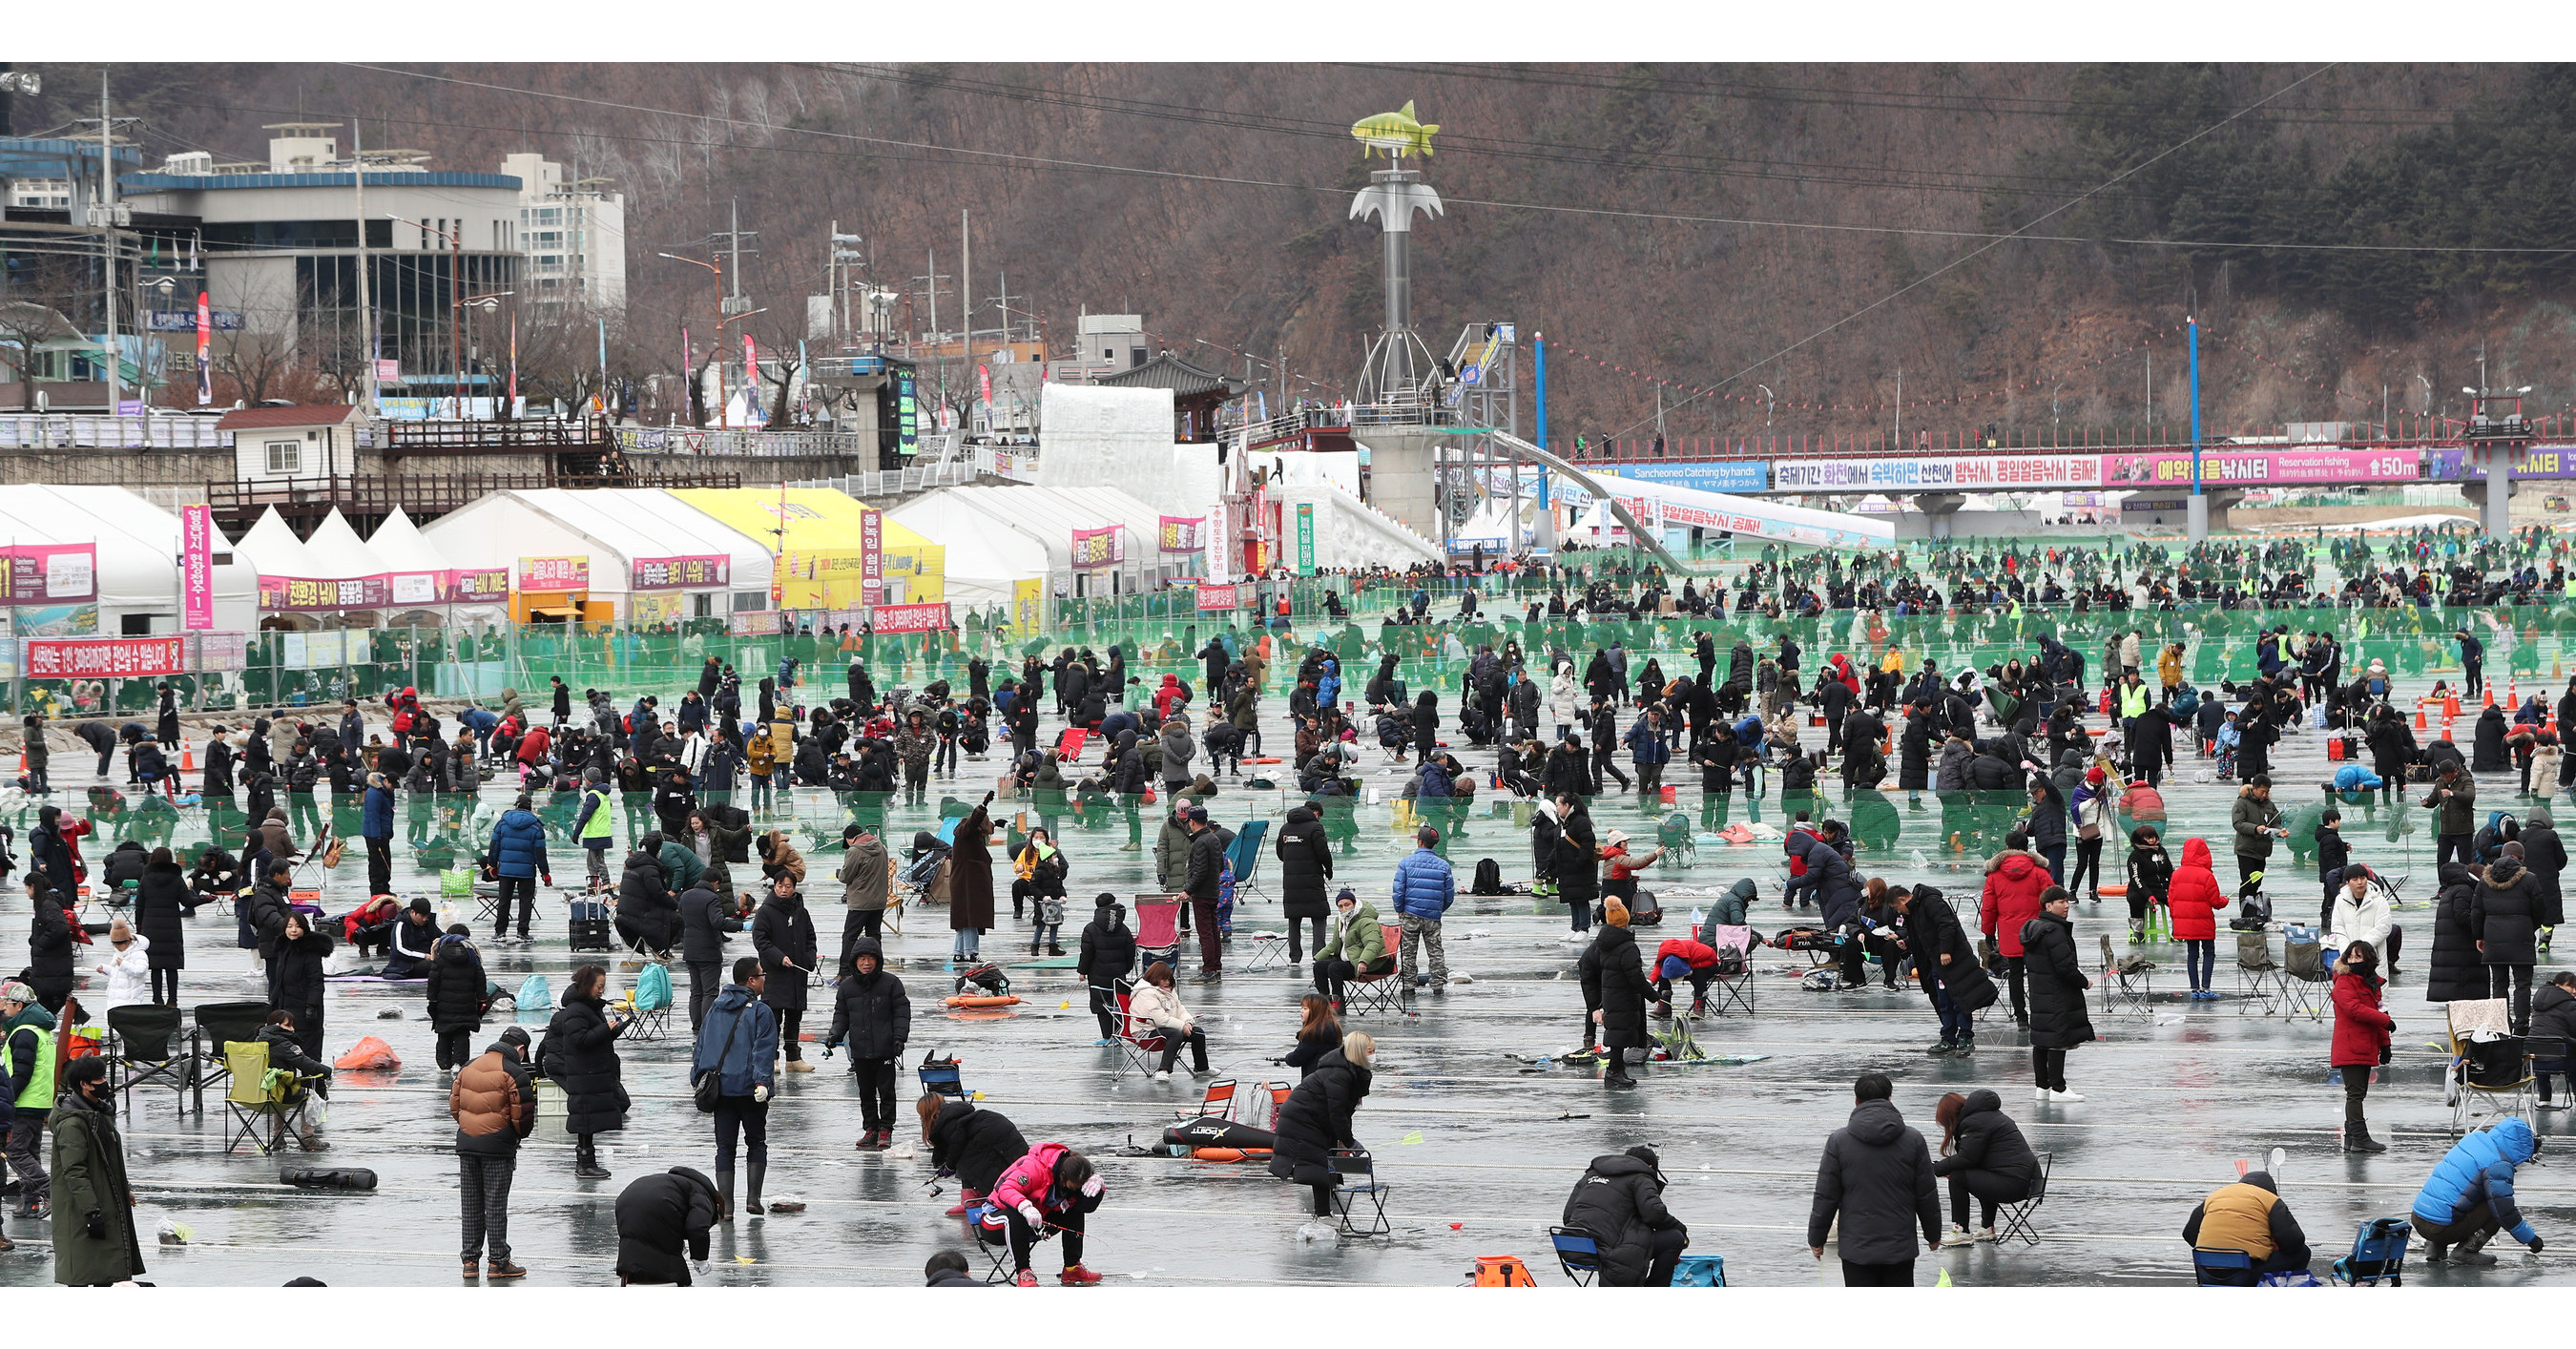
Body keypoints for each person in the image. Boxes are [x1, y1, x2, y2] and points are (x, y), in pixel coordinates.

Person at [1806, 1072, 1942, 1286]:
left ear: (1856, 1101)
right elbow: (1926, 1194)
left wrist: (1817, 1239)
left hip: (1857, 1249)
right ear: (1889, 1098)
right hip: (1900, 1248)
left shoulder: (1839, 1141)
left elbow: (1826, 1196)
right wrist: (1933, 1234)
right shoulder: (1913, 1139)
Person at [694, 956, 780, 1220]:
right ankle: (753, 1199)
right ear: (751, 980)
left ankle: (726, 1207)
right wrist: (763, 1082)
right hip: (751, 1090)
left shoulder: (715, 1008)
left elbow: (701, 1046)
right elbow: (763, 1051)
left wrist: (698, 1077)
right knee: (756, 1142)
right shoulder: (761, 1010)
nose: (765, 979)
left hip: (720, 1090)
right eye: (762, 975)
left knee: (725, 1148)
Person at [449, 1024, 537, 1281]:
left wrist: (469, 1127)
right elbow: (523, 1116)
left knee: (470, 1204)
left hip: (467, 1144)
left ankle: (469, 1261)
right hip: (498, 1148)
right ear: (520, 1049)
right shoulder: (515, 1072)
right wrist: (514, 1136)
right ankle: (498, 1262)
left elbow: (454, 1105)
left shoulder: (468, 1066)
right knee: (495, 1204)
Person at [47, 1058, 142, 1286]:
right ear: (85, 1084)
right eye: (99, 1078)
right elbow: (74, 1170)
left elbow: (109, 1161)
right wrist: (92, 1212)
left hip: (102, 1200)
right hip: (84, 1207)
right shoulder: (73, 1124)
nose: (104, 1083)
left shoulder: (97, 1114)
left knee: (103, 1270)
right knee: (84, 1272)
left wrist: (124, 1188)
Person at [1270, 1031, 1375, 1223]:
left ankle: (1323, 1212)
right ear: (1359, 1052)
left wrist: (1345, 1139)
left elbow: (1344, 1111)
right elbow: (1336, 1113)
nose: (1374, 1055)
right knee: (1319, 1164)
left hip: (1312, 1118)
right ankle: (1323, 1214)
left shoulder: (1349, 1071)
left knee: (1323, 1163)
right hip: (1302, 1120)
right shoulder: (1340, 1074)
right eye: (1370, 1051)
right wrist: (1349, 1141)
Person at [2411, 1115, 2545, 1266]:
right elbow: (2505, 1211)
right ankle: (2466, 1252)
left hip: (2418, 1219)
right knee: (2495, 1207)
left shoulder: (2473, 1140)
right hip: (2441, 1228)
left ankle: (2435, 1248)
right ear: (2520, 1150)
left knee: (2452, 1196)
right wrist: (2531, 1239)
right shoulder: (2498, 1164)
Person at [541, 963, 632, 1181]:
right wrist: (605, 1028)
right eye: (599, 986)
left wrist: (617, 1027)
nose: (602, 990)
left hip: (593, 1071)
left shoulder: (589, 1007)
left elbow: (595, 1038)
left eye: (603, 986)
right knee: (584, 1120)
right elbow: (579, 1040)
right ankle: (584, 1164)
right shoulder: (576, 1010)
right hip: (584, 1073)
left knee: (588, 1120)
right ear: (587, 985)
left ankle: (588, 1163)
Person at [979, 1142, 1108, 1287]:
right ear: (1062, 1176)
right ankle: (1023, 1271)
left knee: (1074, 1209)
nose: (1075, 1190)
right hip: (995, 1220)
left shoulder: (1078, 1172)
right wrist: (1024, 1205)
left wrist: (1099, 1189)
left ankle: (1072, 1268)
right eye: (1074, 1186)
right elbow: (1005, 1189)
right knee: (1014, 1217)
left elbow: (1085, 1207)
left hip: (1035, 1220)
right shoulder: (1033, 1167)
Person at [824, 936, 912, 1149]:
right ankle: (871, 1128)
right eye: (862, 959)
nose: (866, 963)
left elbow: (902, 1013)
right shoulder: (846, 987)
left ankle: (886, 1129)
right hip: (860, 1051)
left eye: (870, 959)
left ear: (878, 960)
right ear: (855, 961)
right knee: (865, 1092)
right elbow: (841, 1015)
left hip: (885, 1049)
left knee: (887, 1092)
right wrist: (834, 1034)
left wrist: (899, 1038)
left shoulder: (891, 983)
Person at [1562, 1145, 1689, 1286]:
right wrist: (1682, 1229)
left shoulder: (1590, 1175)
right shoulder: (1642, 1176)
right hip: (1609, 1251)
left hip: (1573, 1247)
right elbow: (1654, 1214)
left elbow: (1568, 1216)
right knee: (1675, 1238)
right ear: (1650, 1166)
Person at [1931, 1090, 2039, 1245]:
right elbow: (1975, 1160)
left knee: (1957, 1177)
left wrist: (1937, 1169)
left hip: (2014, 1184)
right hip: (2030, 1182)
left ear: (1950, 1116)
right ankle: (1987, 1227)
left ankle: (1962, 1231)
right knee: (1978, 1173)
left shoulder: (1974, 1123)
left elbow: (1966, 1158)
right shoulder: (1990, 1115)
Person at [1895, 882, 1987, 1057]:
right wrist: (1907, 942)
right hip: (1935, 962)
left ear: (1902, 899)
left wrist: (1945, 951)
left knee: (1958, 999)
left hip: (1952, 960)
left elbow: (1947, 925)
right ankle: (1948, 1038)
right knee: (1943, 1000)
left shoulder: (1931, 902)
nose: (1899, 911)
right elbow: (1922, 933)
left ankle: (1965, 1037)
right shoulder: (1914, 911)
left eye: (1897, 906)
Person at [2023, 886, 2094, 1104]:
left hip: (2040, 992)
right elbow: (2065, 967)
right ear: (2048, 906)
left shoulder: (2034, 929)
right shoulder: (2055, 932)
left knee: (2042, 1040)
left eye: (2066, 902)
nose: (2066, 906)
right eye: (2061, 902)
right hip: (2057, 994)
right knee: (2057, 1040)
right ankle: (2058, 1088)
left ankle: (2042, 1087)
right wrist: (2084, 982)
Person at [2182, 1171, 2312, 1283]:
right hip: (2245, 1275)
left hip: (2206, 1273)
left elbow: (2188, 1234)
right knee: (2303, 1252)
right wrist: (2268, 1247)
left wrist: (2217, 1250)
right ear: (2271, 1190)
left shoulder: (2216, 1195)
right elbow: (2294, 1241)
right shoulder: (2269, 1198)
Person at [1579, 899, 1651, 1090]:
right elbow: (1635, 976)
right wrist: (1653, 995)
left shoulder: (1603, 942)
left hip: (1613, 994)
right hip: (1621, 995)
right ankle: (1614, 1072)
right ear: (1625, 920)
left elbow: (1585, 965)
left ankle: (1617, 1070)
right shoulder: (1626, 946)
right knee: (1619, 1033)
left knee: (1620, 1032)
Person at [924, 1094, 1031, 1220]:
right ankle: (972, 1198)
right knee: (1018, 1167)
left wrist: (949, 1166)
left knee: (970, 1163)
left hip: (990, 1139)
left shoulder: (945, 1126)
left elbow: (957, 1152)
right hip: (1002, 1131)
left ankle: (981, 1200)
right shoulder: (954, 1114)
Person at [2331, 939, 2395, 1153]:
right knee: (2355, 1094)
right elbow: (2354, 1009)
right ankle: (2359, 1138)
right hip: (2350, 1044)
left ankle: (2351, 1139)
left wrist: (2385, 1044)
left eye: (2359, 957)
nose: (2354, 960)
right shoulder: (2344, 982)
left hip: (2365, 1045)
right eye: (2351, 956)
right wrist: (2384, 1021)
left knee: (2359, 1093)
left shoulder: (2372, 983)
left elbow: (2379, 1013)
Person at [0, 982, 55, 1227]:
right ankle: (29, 1201)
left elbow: (21, 1071)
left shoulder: (24, 1031)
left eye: (8, 1005)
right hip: (39, 1100)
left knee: (15, 1152)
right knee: (30, 1152)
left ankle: (50, 1191)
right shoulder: (41, 1029)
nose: (5, 1009)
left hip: (24, 1101)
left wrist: (9, 1099)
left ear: (19, 1006)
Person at [753, 873, 820, 1072]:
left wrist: (809, 960)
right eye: (780, 886)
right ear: (775, 887)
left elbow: (810, 938)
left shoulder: (801, 912)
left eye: (788, 886)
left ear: (794, 888)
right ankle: (771, 1058)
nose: (784, 890)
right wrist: (779, 957)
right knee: (773, 1019)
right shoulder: (765, 912)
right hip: (775, 973)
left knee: (794, 1017)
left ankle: (793, 1058)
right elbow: (761, 940)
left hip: (797, 974)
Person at [613, 1166, 722, 1285]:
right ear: (717, 1207)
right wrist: (700, 1260)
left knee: (633, 1248)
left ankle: (629, 1279)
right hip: (660, 1204)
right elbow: (697, 1227)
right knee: (671, 1266)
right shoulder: (703, 1195)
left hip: (626, 1200)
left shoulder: (679, 1184)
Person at [2475, 852, 2543, 1033]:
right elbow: (2539, 909)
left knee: (2498, 984)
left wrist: (2479, 935)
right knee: (2523, 984)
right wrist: (2530, 927)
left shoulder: (2484, 881)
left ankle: (2501, 1023)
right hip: (2522, 937)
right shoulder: (2529, 880)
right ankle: (2522, 1024)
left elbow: (2477, 911)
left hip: (2494, 939)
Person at [1391, 824, 1455, 989]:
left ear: (1420, 842)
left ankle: (1408, 984)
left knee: (1408, 952)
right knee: (1435, 951)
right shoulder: (1443, 866)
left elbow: (1398, 890)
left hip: (1410, 914)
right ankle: (1438, 984)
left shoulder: (1406, 863)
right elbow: (1449, 896)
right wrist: (1437, 909)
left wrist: (1400, 909)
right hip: (1432, 916)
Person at [678, 874, 742, 1034]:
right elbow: (718, 922)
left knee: (696, 991)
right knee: (710, 991)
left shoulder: (686, 896)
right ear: (715, 883)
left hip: (690, 949)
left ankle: (696, 1026)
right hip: (707, 951)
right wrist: (741, 925)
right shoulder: (711, 898)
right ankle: (707, 1027)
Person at [2166, 837, 2228, 999]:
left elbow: (2171, 900)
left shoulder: (2176, 874)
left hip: (2185, 924)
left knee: (2192, 954)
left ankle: (2194, 989)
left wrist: (2176, 919)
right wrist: (2225, 900)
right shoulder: (2207, 875)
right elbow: (2215, 902)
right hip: (2204, 922)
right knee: (2209, 953)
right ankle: (2206, 989)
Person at [487, 794, 551, 944]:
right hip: (527, 871)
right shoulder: (536, 827)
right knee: (525, 901)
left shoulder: (502, 823)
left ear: (516, 805)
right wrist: (545, 873)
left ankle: (500, 932)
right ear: (530, 808)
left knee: (504, 900)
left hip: (505, 870)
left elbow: (494, 846)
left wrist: (492, 864)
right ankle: (522, 933)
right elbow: (540, 854)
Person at [133, 846, 194, 1007]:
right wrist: (205, 899)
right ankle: (172, 1000)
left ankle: (157, 1000)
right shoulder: (176, 878)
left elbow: (139, 905)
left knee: (156, 966)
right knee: (171, 966)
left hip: (150, 926)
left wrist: (139, 928)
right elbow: (187, 902)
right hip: (171, 927)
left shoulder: (146, 878)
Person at [1129, 962, 1210, 1081]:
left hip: (1165, 1027)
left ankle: (1202, 1068)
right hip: (1145, 1031)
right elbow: (1159, 1019)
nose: (1167, 981)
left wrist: (1188, 1022)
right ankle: (1163, 1070)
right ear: (1155, 978)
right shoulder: (1146, 993)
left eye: (1169, 978)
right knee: (1175, 1034)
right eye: (1163, 978)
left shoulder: (1168, 990)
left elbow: (1180, 1009)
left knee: (1198, 1032)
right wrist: (1182, 1026)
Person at [1275, 803, 1333, 967]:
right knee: (1319, 917)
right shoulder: (1315, 828)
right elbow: (1323, 852)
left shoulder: (1285, 828)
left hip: (1291, 882)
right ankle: (1319, 955)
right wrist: (1329, 869)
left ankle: (1295, 957)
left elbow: (1280, 853)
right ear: (1315, 813)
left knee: (1294, 918)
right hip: (1312, 879)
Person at [270, 911, 334, 1060]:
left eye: (297, 926)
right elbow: (278, 980)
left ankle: (314, 1082)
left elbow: (316, 981)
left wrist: (312, 1006)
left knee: (309, 1049)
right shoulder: (284, 948)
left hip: (305, 1009)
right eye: (289, 926)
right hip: (285, 1006)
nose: (293, 930)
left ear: (304, 928)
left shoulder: (310, 951)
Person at [1314, 888, 1393, 1007]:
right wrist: (1317, 958)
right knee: (1319, 966)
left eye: (1347, 905)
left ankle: (1338, 1005)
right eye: (1340, 906)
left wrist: (1363, 961)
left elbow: (1372, 944)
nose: (1344, 909)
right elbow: (1334, 945)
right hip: (1349, 960)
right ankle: (1324, 1003)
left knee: (1334, 968)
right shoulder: (1340, 920)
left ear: (1354, 904)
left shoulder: (1367, 921)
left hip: (1372, 963)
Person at [426, 925, 489, 1072]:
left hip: (444, 1005)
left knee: (443, 1033)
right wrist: (482, 1000)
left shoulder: (440, 956)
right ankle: (460, 1063)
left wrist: (432, 1000)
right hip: (466, 1005)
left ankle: (443, 1064)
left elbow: (433, 981)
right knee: (462, 1033)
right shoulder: (472, 957)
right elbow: (480, 980)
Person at [1076, 895, 1135, 1045]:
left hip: (1097, 974)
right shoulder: (1123, 928)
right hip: (1118, 973)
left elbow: (1086, 953)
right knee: (1118, 1002)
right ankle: (1118, 1034)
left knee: (1101, 1004)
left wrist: (1082, 971)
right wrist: (1126, 968)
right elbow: (1130, 951)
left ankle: (1107, 1036)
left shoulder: (1090, 928)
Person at [836, 823, 891, 973]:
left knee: (850, 937)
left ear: (849, 838)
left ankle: (845, 972)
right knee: (874, 937)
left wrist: (839, 873)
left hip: (860, 903)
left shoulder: (855, 851)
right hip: (879, 901)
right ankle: (876, 970)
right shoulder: (880, 846)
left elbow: (845, 877)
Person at [949, 800, 997, 966]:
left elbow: (980, 824)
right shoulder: (967, 832)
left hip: (963, 881)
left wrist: (995, 823)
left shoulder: (967, 834)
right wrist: (982, 807)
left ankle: (959, 953)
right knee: (971, 918)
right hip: (970, 883)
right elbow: (974, 822)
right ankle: (972, 953)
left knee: (963, 919)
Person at [91, 919, 151, 1011]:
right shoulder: (118, 953)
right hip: (114, 997)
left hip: (130, 998)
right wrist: (104, 969)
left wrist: (123, 964)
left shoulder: (139, 954)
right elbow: (115, 972)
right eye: (114, 944)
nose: (117, 947)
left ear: (128, 941)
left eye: (119, 944)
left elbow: (141, 971)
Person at [1282, 994, 1342, 1079]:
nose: (1302, 1011)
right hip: (1330, 1077)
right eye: (1302, 1008)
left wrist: (1287, 1058)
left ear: (1316, 1011)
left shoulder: (1312, 1034)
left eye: (1305, 1008)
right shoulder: (1332, 1027)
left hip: (1314, 1079)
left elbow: (1297, 1058)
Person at [380, 898, 441, 980]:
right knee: (435, 966)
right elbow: (399, 950)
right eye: (422, 916)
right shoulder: (401, 925)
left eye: (427, 916)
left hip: (427, 959)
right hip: (407, 964)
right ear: (412, 912)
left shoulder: (428, 923)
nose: (425, 919)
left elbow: (439, 935)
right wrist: (424, 956)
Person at [361, 770, 396, 896]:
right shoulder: (374, 793)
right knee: (377, 863)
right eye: (392, 785)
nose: (393, 789)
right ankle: (377, 891)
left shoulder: (386, 792)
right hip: (374, 834)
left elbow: (389, 812)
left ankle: (384, 888)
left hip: (383, 832)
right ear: (386, 781)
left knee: (386, 862)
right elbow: (373, 815)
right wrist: (376, 836)